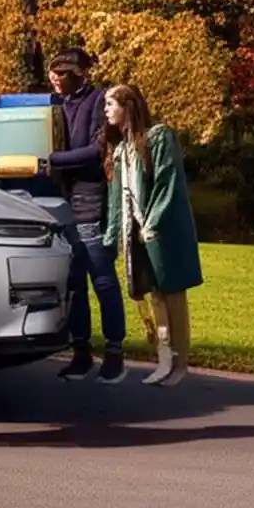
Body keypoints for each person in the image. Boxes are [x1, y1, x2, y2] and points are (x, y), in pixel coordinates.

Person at [100, 84, 203, 386]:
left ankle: (180, 363)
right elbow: (116, 198)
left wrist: (153, 223)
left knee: (172, 293)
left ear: (128, 105)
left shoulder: (159, 137)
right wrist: (112, 235)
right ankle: (164, 358)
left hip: (162, 231)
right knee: (153, 294)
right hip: (137, 233)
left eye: (110, 103)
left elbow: (167, 182)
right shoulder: (121, 149)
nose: (106, 109)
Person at [44, 48, 130, 383]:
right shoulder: (54, 104)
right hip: (62, 199)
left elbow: (97, 150)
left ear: (78, 74)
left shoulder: (97, 101)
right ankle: (81, 352)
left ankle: (115, 353)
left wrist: (52, 160)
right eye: (52, 73)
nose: (54, 78)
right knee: (74, 282)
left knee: (102, 278)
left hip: (91, 197)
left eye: (60, 73)